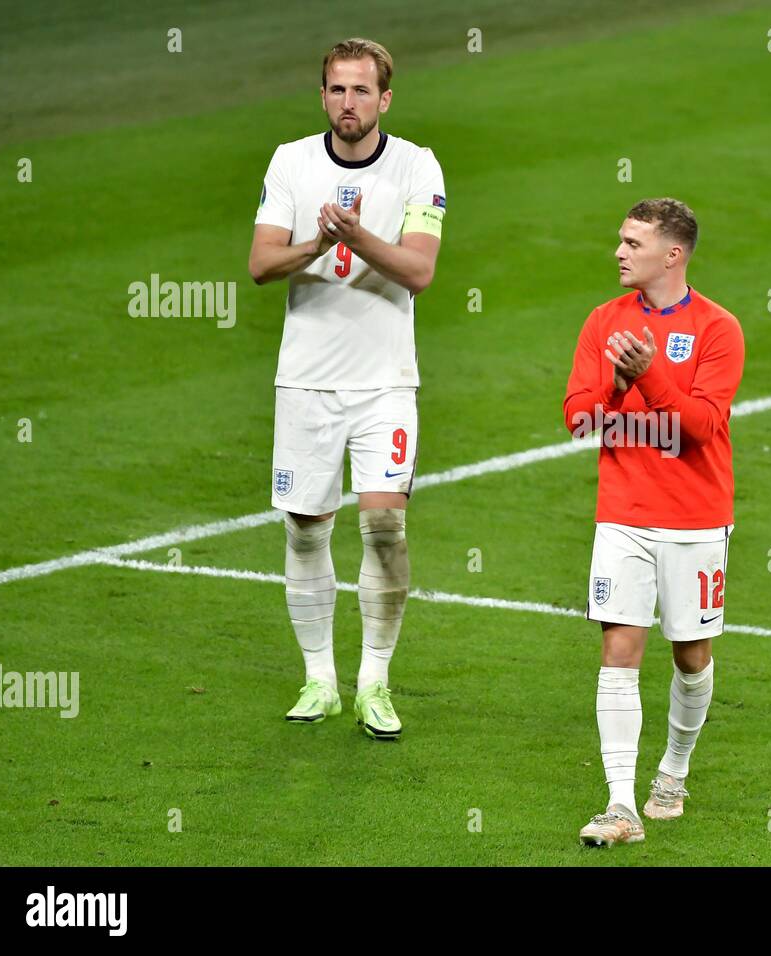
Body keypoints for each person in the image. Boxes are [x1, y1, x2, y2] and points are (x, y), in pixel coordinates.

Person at [248, 38, 445, 737]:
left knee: (385, 526)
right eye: (337, 90)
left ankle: (374, 683)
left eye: (362, 91)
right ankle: (319, 680)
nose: (348, 103)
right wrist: (319, 242)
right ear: (323, 95)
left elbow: (418, 272)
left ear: (385, 98)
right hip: (305, 379)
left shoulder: (418, 167)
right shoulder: (290, 160)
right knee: (306, 529)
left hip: (385, 382)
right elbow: (262, 263)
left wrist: (357, 239)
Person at [563, 199, 744, 845]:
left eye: (632, 243)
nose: (618, 251)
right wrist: (616, 383)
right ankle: (620, 806)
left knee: (691, 656)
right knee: (618, 649)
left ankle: (673, 768)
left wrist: (650, 376)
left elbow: (700, 427)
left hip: (695, 518)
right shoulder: (603, 321)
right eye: (620, 239)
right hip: (624, 514)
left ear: (673, 254)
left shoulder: (718, 329)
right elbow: (578, 416)